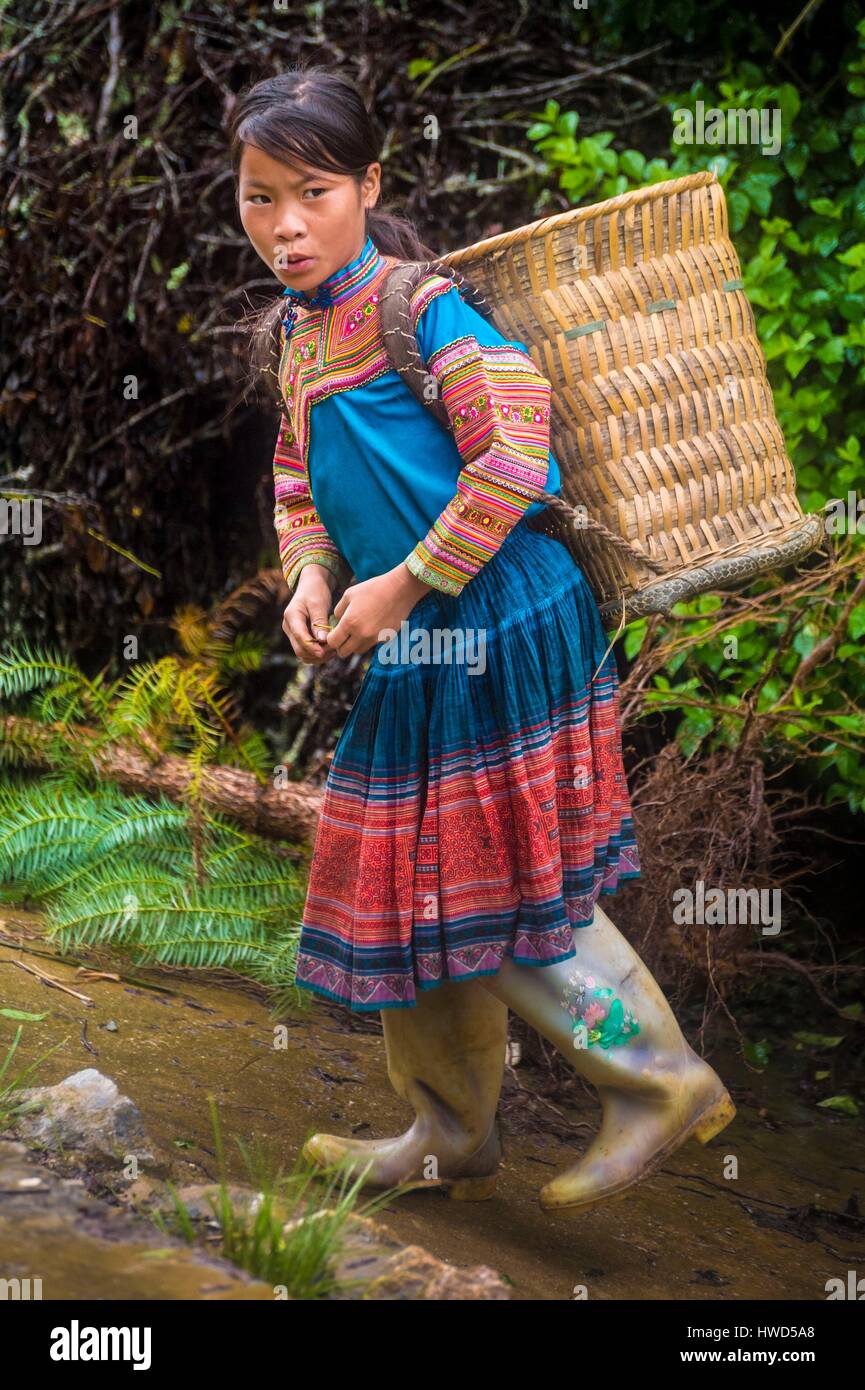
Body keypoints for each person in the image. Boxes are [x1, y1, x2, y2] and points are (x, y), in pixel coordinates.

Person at [229, 64, 735, 1215]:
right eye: (260, 197)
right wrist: (310, 570)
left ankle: (662, 1080)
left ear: (367, 183)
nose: (286, 224)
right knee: (412, 882)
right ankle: (449, 1129)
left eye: (312, 191)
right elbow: (297, 476)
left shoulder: (419, 308)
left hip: (500, 614)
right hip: (426, 631)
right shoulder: (298, 338)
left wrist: (401, 585)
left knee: (490, 882)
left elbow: (519, 461)